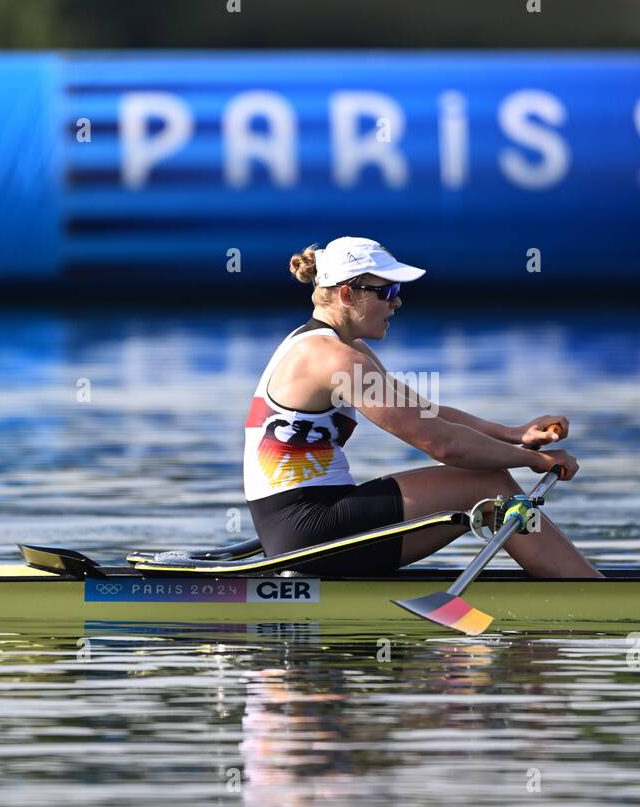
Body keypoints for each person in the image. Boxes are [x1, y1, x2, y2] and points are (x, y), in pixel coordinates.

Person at [243, 236, 601, 579]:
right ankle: (588, 593)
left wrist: (515, 435)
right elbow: (443, 445)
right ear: (348, 294)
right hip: (308, 532)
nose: (397, 302)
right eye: (388, 292)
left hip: (312, 521)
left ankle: (575, 583)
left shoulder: (336, 348)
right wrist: (536, 461)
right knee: (488, 485)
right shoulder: (332, 358)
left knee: (490, 482)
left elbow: (425, 412)